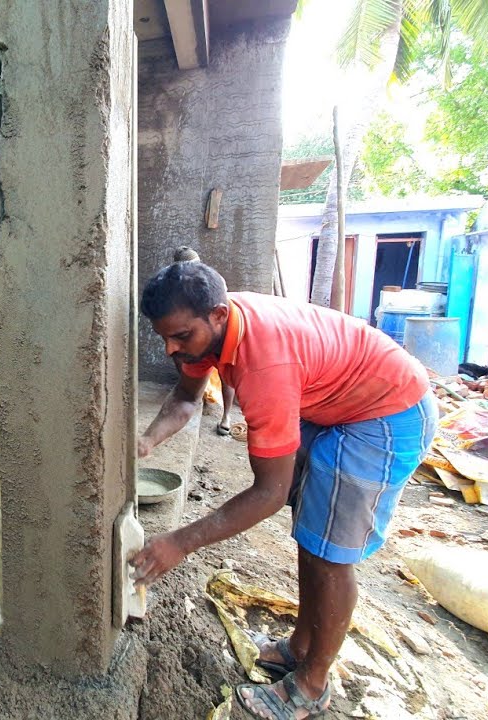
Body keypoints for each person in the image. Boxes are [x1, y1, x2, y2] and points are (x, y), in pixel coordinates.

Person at [130, 262, 436, 720]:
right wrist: (146, 441)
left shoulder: (264, 362)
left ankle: (311, 685)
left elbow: (270, 492)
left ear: (217, 314)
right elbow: (187, 398)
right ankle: (299, 648)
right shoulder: (209, 329)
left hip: (385, 413)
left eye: (181, 337)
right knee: (313, 535)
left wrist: (180, 542)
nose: (172, 349)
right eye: (165, 338)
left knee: (330, 554)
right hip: (337, 407)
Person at [171, 246, 236, 436]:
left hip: (217, 334)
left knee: (227, 374)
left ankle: (226, 416)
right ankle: (194, 394)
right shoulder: (176, 285)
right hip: (196, 337)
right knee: (181, 359)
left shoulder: (213, 280)